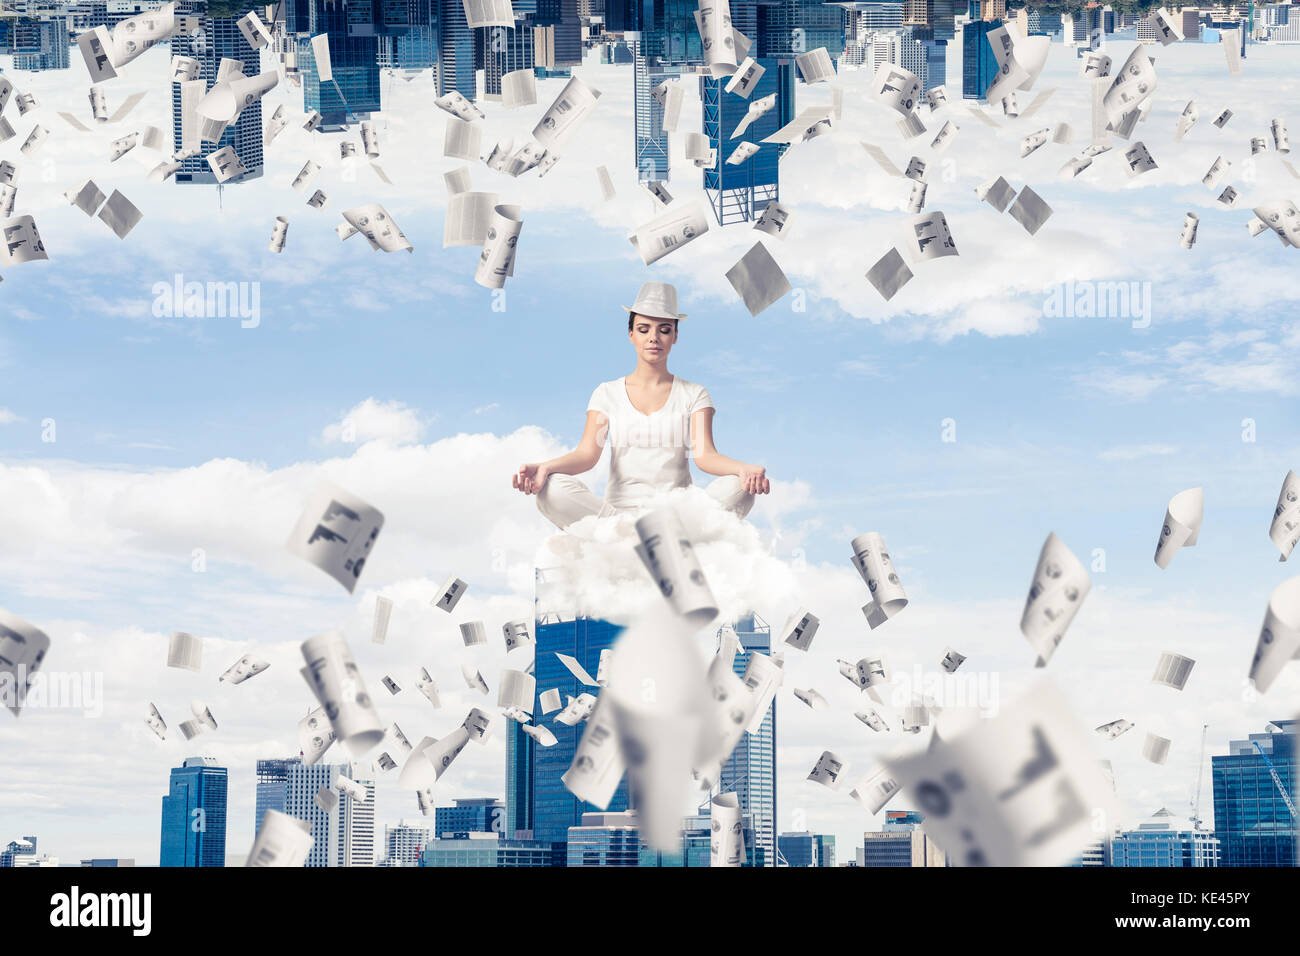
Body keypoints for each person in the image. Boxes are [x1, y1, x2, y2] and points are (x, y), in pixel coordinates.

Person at [513, 281, 771, 532]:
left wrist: (743, 470)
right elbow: (587, 455)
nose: (654, 338)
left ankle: (652, 541)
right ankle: (640, 539)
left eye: (664, 330)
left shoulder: (694, 394)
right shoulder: (607, 393)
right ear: (631, 334)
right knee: (552, 489)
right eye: (644, 329)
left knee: (739, 488)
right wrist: (546, 467)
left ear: (675, 336)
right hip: (617, 518)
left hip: (677, 515)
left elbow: (705, 457)